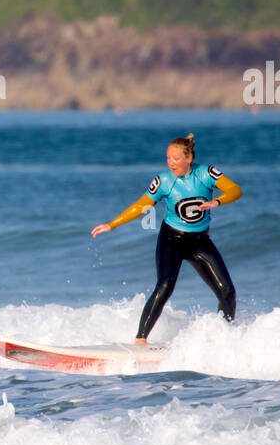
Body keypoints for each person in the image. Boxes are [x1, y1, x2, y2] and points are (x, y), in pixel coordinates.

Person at [90, 133, 242, 344]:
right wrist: (112, 224)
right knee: (164, 287)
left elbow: (235, 190)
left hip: (199, 242)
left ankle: (223, 338)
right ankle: (140, 340)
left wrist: (216, 202)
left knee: (228, 292)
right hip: (171, 241)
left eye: (176, 158)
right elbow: (141, 205)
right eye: (168, 158)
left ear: (189, 158)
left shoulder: (206, 173)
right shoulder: (163, 181)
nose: (171, 163)